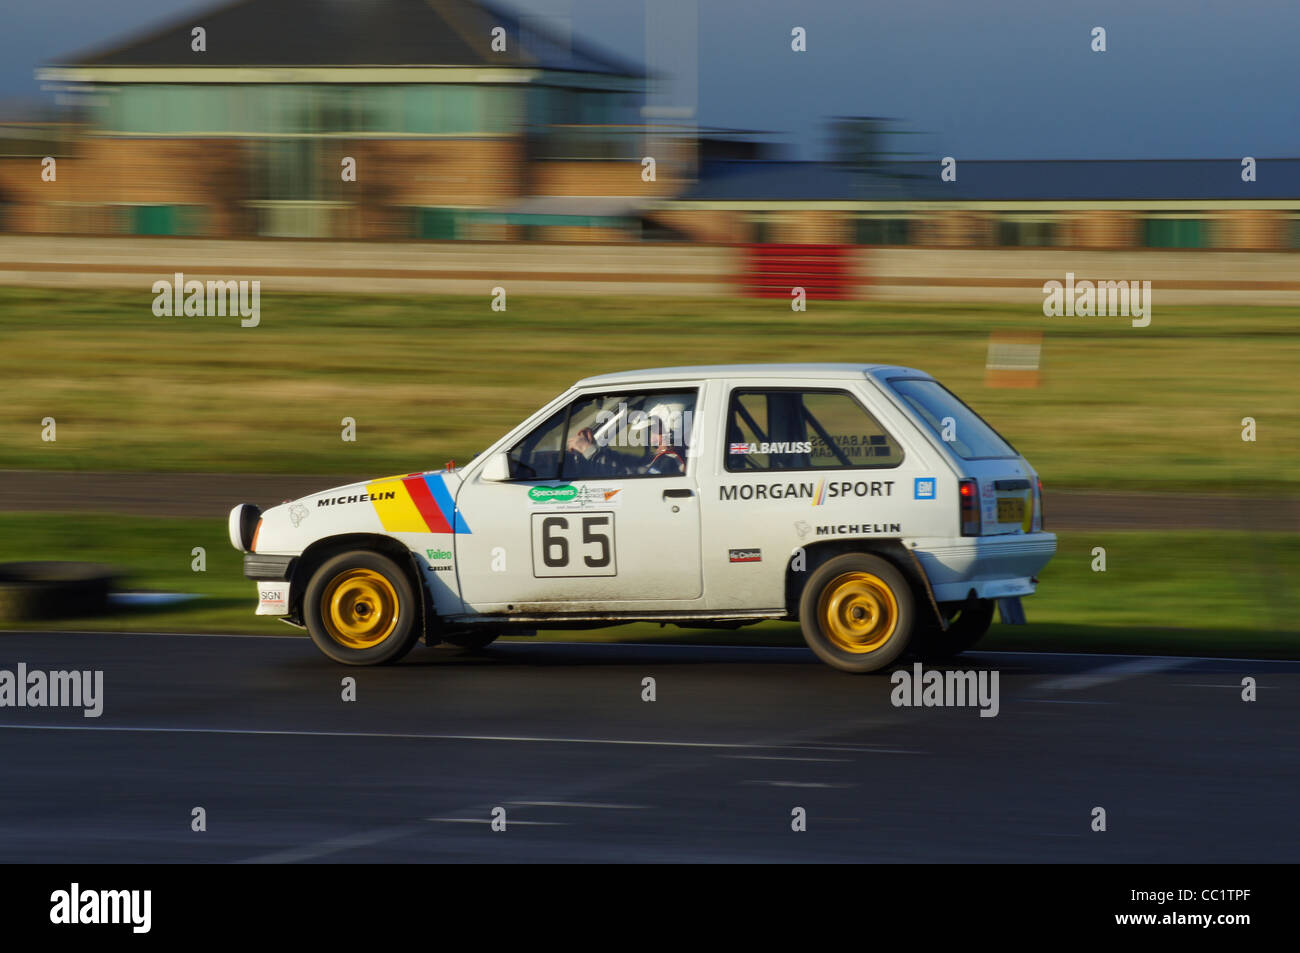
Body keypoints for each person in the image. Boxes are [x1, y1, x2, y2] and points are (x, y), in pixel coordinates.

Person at [565, 401, 689, 477]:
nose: (653, 440)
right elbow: (631, 463)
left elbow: (625, 477)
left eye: (656, 430)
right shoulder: (667, 458)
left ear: (674, 427)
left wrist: (588, 450)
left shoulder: (671, 461)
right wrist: (597, 449)